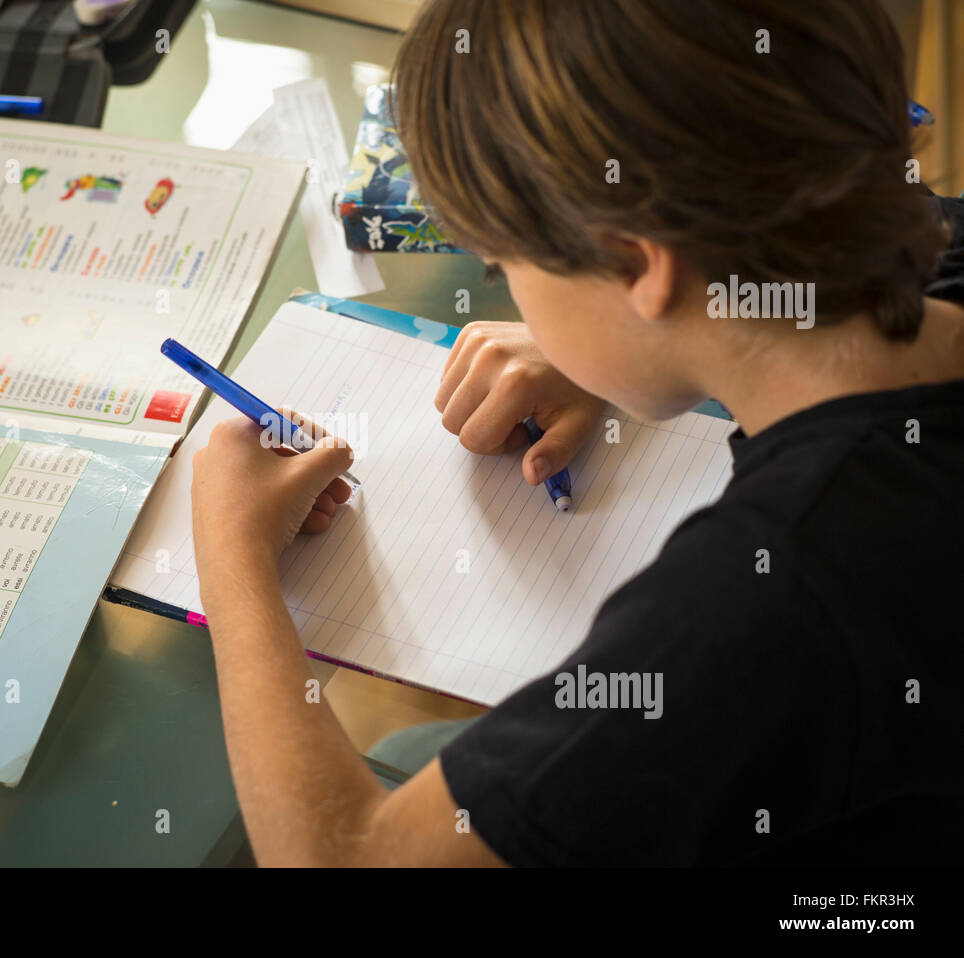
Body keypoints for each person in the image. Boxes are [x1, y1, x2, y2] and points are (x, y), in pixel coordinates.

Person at [187, 0, 964, 865]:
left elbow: (346, 857)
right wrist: (639, 346)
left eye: (503, 267)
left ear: (636, 265)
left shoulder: (762, 597)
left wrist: (231, 556)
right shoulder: (934, 249)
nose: (512, 297)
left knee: (409, 763)